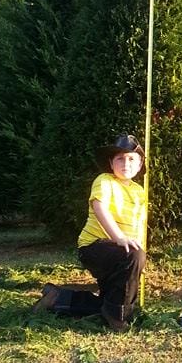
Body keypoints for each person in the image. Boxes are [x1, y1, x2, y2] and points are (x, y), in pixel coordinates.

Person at [34, 134, 147, 332]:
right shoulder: (104, 181)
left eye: (131, 159)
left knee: (109, 300)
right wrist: (119, 238)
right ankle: (118, 318)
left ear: (139, 166)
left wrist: (137, 260)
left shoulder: (139, 191)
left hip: (120, 252)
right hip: (95, 247)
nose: (125, 163)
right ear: (111, 163)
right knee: (132, 258)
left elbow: (138, 223)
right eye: (120, 158)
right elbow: (99, 208)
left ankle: (58, 298)